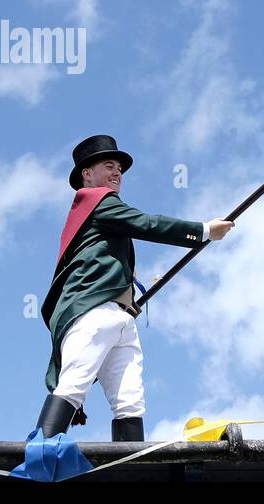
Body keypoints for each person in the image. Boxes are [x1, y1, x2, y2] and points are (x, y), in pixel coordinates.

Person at [36, 134, 234, 442]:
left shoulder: (98, 210)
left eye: (119, 169)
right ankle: (41, 454)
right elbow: (147, 223)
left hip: (118, 315)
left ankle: (129, 470)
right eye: (109, 165)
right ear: (87, 174)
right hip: (93, 310)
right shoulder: (98, 202)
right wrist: (204, 231)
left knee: (129, 398)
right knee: (73, 384)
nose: (117, 173)